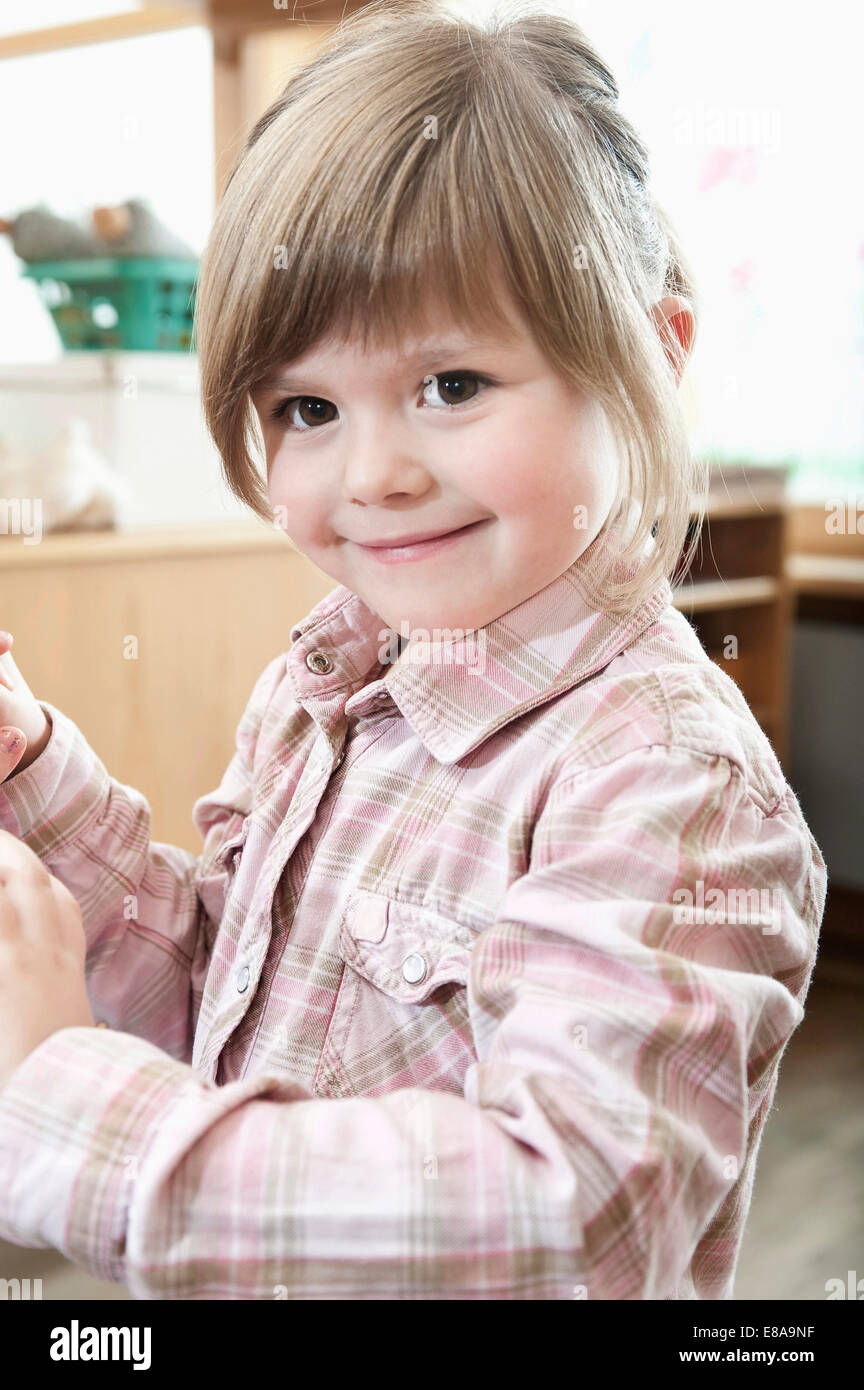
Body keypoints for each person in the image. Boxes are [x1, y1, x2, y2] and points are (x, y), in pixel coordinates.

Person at [0, 0, 826, 1300]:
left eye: (451, 385)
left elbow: (569, 1218)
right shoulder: (324, 684)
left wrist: (78, 1124)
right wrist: (34, 779)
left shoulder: (669, 786)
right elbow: (223, 1009)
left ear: (653, 364)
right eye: (309, 408)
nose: (374, 473)